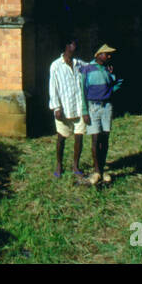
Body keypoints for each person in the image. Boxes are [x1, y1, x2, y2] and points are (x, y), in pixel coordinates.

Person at [80, 44, 123, 185]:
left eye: (110, 55)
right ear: (98, 55)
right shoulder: (87, 69)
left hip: (107, 107)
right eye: (106, 54)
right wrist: (85, 111)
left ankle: (102, 170)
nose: (109, 56)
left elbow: (118, 82)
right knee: (95, 139)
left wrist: (110, 90)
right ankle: (97, 171)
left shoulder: (108, 69)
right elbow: (82, 91)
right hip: (93, 107)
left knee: (105, 139)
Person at [48, 38, 89, 181]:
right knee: (61, 137)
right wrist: (56, 107)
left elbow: (91, 67)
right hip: (64, 109)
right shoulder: (56, 66)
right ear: (66, 46)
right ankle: (59, 165)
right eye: (72, 44)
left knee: (79, 137)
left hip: (79, 107)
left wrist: (103, 67)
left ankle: (75, 166)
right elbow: (53, 88)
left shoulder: (79, 64)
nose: (75, 47)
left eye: (75, 45)